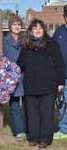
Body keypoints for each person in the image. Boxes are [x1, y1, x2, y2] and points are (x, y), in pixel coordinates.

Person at [17, 18, 65, 148]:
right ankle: (33, 138)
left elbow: (60, 64)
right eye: (35, 28)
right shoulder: (26, 46)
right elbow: (19, 65)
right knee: (31, 114)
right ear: (31, 31)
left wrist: (60, 82)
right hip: (31, 86)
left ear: (43, 30)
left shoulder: (51, 44)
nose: (37, 30)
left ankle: (45, 139)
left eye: (40, 28)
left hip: (48, 86)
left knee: (46, 114)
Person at [3, 13, 25, 141]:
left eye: (18, 24)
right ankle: (19, 131)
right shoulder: (4, 41)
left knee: (28, 106)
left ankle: (28, 129)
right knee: (15, 105)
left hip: (26, 76)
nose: (16, 27)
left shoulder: (26, 39)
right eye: (14, 24)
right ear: (10, 26)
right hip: (11, 77)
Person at [53, 4, 67, 140]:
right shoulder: (59, 32)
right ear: (64, 17)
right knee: (62, 103)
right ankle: (64, 130)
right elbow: (51, 53)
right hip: (63, 76)